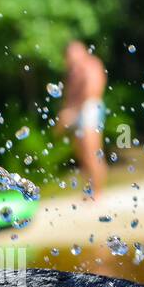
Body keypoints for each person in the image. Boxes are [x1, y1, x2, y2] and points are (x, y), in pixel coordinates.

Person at [56, 40, 107, 199]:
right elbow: (69, 97)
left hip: (90, 108)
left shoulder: (91, 65)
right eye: (69, 54)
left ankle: (98, 192)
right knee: (82, 154)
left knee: (92, 152)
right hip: (77, 111)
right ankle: (91, 189)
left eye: (73, 52)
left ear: (83, 51)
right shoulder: (73, 72)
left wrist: (71, 112)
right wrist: (64, 115)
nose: (70, 57)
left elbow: (93, 91)